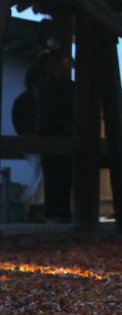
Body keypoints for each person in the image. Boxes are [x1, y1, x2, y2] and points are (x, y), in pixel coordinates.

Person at [35, 53, 74, 222]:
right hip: (50, 136)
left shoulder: (71, 89)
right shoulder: (44, 89)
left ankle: (62, 210)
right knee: (51, 175)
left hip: (65, 136)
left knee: (65, 177)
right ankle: (52, 210)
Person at [12, 58, 48, 222]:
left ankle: (34, 206)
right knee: (42, 169)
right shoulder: (30, 99)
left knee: (42, 171)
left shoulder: (25, 99)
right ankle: (33, 205)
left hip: (32, 140)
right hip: (32, 141)